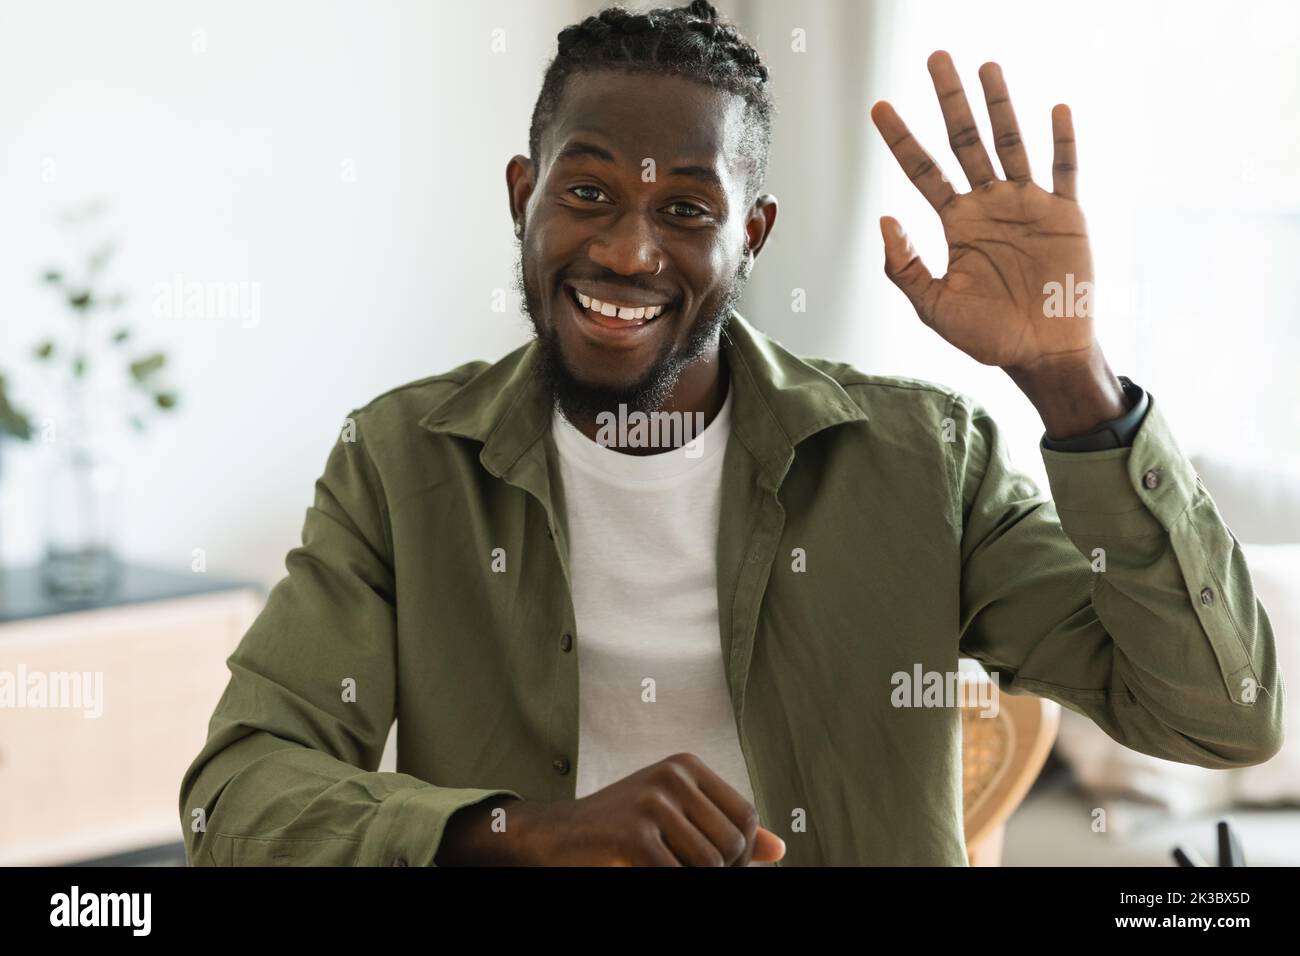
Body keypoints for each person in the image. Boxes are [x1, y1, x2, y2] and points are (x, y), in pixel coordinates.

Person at [179, 0, 1283, 866]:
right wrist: (518, 833)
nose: (625, 252)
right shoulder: (399, 460)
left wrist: (1071, 382)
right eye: (589, 191)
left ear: (751, 234)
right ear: (523, 195)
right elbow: (237, 796)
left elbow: (1218, 717)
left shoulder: (923, 461)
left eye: (686, 210)